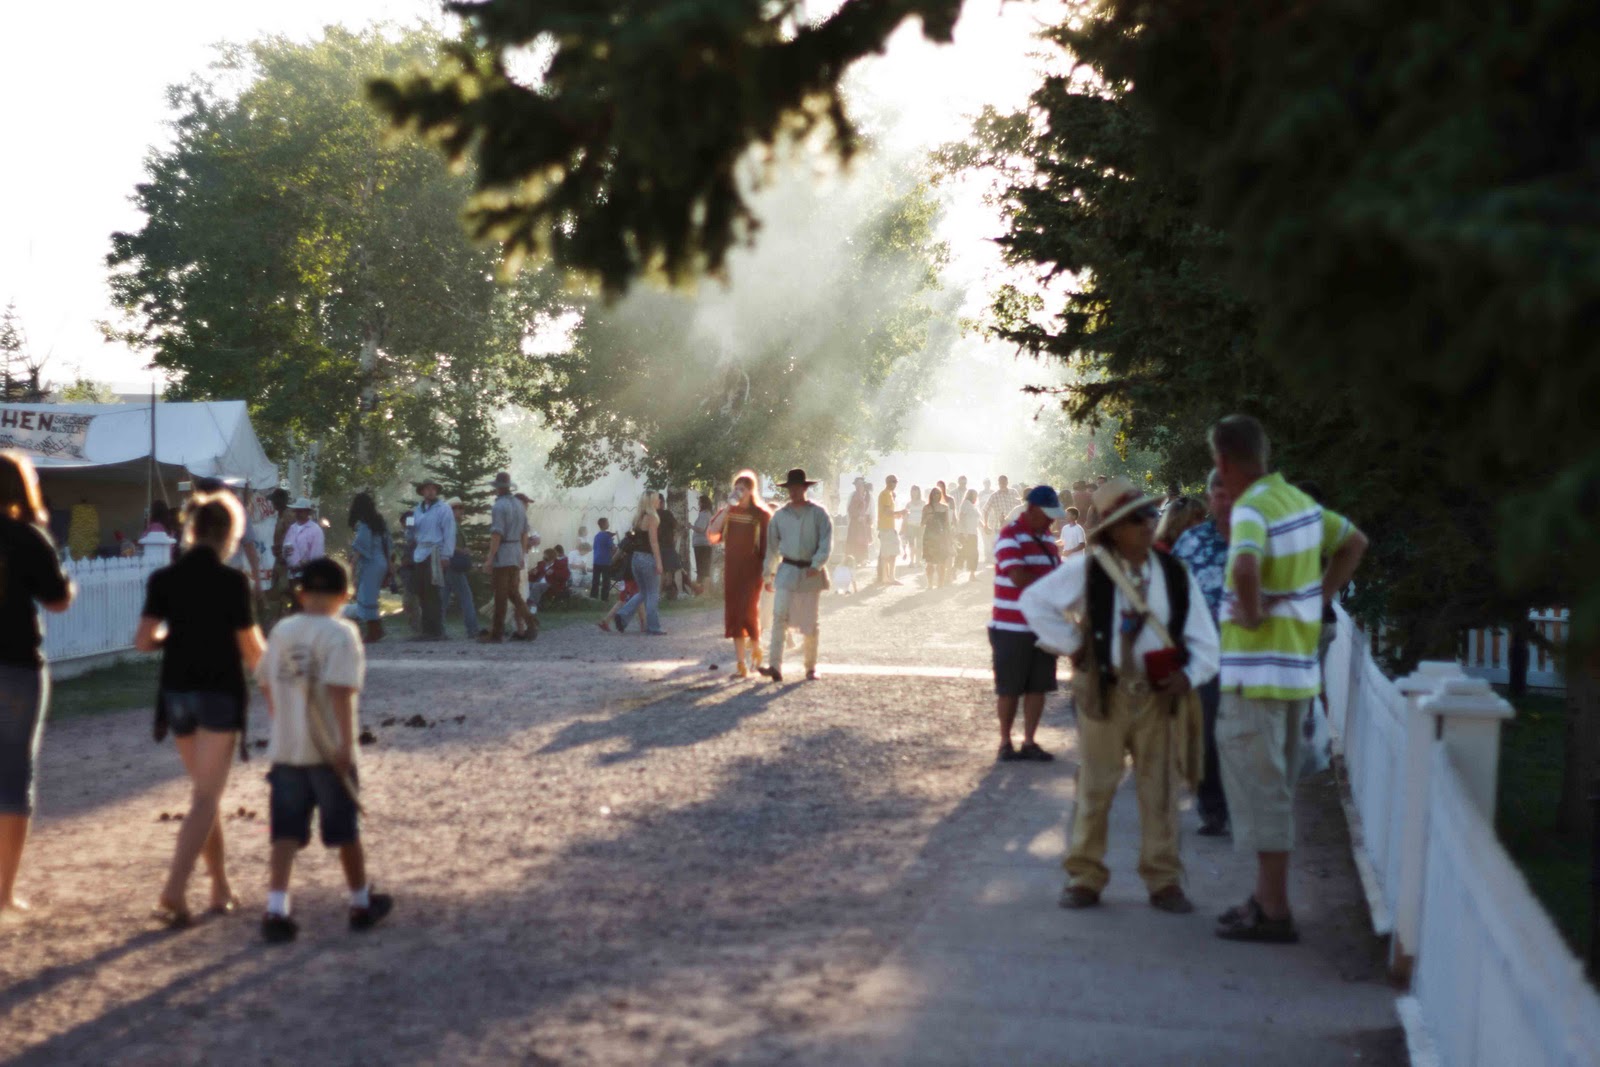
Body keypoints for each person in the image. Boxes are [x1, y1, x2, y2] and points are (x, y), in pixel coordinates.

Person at [1020, 477, 1220, 916]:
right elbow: (1034, 602)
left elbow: (1206, 641)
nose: (1150, 524)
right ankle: (1084, 876)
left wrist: (1189, 676)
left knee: (1162, 790)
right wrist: (1074, 646)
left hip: (1160, 696)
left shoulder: (1174, 573)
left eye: (1151, 515)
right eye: (1138, 518)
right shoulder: (1088, 570)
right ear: (1115, 528)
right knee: (1095, 787)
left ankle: (1164, 880)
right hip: (1104, 692)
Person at [1209, 415, 1366, 943]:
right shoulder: (1299, 503)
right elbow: (1355, 543)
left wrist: (1251, 615)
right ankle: (1263, 898)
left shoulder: (1252, 507)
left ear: (1223, 461)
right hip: (1296, 674)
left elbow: (1247, 566)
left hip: (1257, 679)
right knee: (1274, 790)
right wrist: (1319, 596)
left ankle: (1274, 910)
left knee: (1264, 794)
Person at [135, 491, 267, 926]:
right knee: (207, 797)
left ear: (191, 531)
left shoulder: (165, 579)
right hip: (219, 692)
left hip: (176, 694)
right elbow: (250, 649)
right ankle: (173, 891)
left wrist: (175, 637)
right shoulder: (233, 583)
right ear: (229, 534)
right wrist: (274, 688)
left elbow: (143, 641)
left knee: (203, 798)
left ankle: (219, 886)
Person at [255, 558, 391, 943]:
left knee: (284, 832)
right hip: (329, 752)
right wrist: (346, 745)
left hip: (286, 749)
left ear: (301, 594)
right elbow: (340, 693)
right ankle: (361, 902)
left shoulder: (282, 630)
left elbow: (266, 681)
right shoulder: (342, 633)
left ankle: (276, 907)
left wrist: (283, 719)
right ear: (344, 595)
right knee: (345, 831)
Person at [0, 452, 74, 913]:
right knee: (11, 777)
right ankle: (3, 892)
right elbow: (58, 600)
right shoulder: (28, 539)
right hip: (16, 667)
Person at [1171, 468, 1234, 837]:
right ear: (1210, 498)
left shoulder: (1265, 543)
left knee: (1246, 737)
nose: (1227, 501)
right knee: (1208, 736)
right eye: (1220, 494)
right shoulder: (1191, 543)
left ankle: (1243, 805)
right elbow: (1171, 597)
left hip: (1253, 659)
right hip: (1205, 659)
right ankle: (1213, 808)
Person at [988, 485, 1066, 762]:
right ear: (1031, 510)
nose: (1051, 521)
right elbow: (1019, 578)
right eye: (1047, 515)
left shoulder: (1047, 540)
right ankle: (1005, 742)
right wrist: (1058, 586)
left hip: (1041, 627)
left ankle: (1029, 741)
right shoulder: (1009, 536)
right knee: (1009, 688)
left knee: (1038, 687)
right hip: (1011, 626)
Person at [759, 468, 833, 683]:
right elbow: (772, 548)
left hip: (811, 573)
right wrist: (768, 574)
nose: (793, 491)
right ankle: (775, 666)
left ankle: (810, 667)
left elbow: (826, 542)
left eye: (797, 487)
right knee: (779, 616)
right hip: (787, 571)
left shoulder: (818, 514)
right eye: (790, 488)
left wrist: (817, 564)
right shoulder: (780, 517)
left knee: (810, 621)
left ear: (804, 488)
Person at [705, 470, 771, 677]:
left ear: (751, 490)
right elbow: (712, 533)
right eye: (736, 487)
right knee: (734, 613)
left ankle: (757, 647)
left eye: (743, 488)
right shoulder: (729, 512)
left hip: (753, 570)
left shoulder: (761, 514)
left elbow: (770, 546)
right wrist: (726, 510)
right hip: (732, 569)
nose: (738, 492)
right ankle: (741, 663)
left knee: (748, 609)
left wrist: (770, 572)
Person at [482, 471, 534, 643]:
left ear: (497, 488)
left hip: (503, 554)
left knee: (500, 595)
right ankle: (531, 623)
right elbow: (525, 533)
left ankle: (496, 634)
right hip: (516, 552)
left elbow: (497, 534)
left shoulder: (498, 507)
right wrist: (522, 552)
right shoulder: (519, 505)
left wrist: (490, 558)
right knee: (513, 593)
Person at [409, 478, 455, 640]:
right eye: (427, 489)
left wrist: (446, 555)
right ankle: (426, 629)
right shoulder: (418, 510)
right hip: (420, 551)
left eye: (433, 489)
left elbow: (449, 533)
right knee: (422, 591)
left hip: (435, 551)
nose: (430, 491)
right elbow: (414, 531)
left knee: (433, 592)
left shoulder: (443, 509)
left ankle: (437, 630)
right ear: (422, 492)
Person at [616, 491, 665, 635]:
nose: (659, 502)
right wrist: (659, 562)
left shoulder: (638, 517)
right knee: (652, 594)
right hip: (647, 558)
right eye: (657, 499)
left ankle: (623, 615)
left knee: (643, 592)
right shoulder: (652, 518)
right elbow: (653, 542)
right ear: (651, 501)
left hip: (635, 559)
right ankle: (653, 628)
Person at [348, 493, 391, 644]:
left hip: (371, 563)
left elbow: (360, 547)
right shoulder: (379, 522)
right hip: (381, 562)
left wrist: (352, 565)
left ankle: (375, 631)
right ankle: (376, 629)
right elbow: (388, 544)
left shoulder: (364, 525)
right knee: (370, 596)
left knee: (366, 596)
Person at [441, 498, 480, 640]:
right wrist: (461, 550)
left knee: (443, 598)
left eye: (461, 507)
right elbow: (445, 542)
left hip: (450, 564)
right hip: (453, 564)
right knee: (466, 597)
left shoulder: (454, 525)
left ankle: (437, 628)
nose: (461, 510)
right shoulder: (450, 524)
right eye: (457, 508)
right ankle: (472, 629)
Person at [281, 498, 325, 581]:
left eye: (301, 511)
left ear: (307, 512)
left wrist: (300, 566)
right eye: (297, 511)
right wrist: (286, 552)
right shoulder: (292, 528)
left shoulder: (315, 530)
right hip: (291, 575)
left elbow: (317, 556)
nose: (298, 513)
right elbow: (285, 548)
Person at [921, 487, 954, 589]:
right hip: (929, 536)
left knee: (941, 562)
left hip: (941, 537)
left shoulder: (945, 507)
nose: (936, 496)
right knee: (930, 562)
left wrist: (950, 538)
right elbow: (922, 523)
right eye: (934, 494)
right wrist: (928, 516)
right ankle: (930, 584)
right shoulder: (927, 508)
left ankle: (940, 584)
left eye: (938, 494)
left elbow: (947, 524)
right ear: (931, 495)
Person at [875, 475, 906, 585]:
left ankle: (887, 577)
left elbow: (888, 513)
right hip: (886, 528)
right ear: (887, 482)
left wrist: (897, 515)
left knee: (890, 553)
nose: (895, 484)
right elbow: (887, 512)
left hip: (888, 527)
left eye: (896, 482)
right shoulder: (886, 494)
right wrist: (900, 512)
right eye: (893, 482)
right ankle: (888, 577)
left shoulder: (889, 495)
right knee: (889, 554)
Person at [956, 488, 984, 580]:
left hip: (973, 533)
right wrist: (964, 532)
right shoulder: (966, 504)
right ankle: (953, 572)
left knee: (974, 554)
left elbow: (977, 519)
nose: (976, 497)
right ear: (970, 495)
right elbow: (961, 517)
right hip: (966, 533)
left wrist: (984, 526)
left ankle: (972, 575)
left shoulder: (973, 506)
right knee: (962, 553)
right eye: (974, 495)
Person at [692, 495, 715, 593]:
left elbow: (701, 529)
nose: (698, 504)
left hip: (702, 544)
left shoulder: (704, 514)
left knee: (702, 568)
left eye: (700, 502)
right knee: (704, 567)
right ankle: (705, 590)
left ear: (703, 503)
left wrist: (691, 526)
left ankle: (701, 590)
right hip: (703, 544)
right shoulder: (707, 514)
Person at [591, 517, 616, 601]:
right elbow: (613, 548)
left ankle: (593, 597)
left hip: (596, 560)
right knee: (606, 581)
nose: (608, 524)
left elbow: (594, 547)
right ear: (605, 524)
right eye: (607, 522)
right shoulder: (607, 536)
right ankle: (604, 598)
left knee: (595, 580)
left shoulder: (597, 536)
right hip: (605, 562)